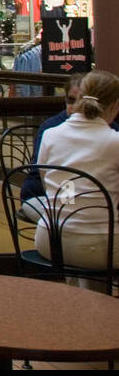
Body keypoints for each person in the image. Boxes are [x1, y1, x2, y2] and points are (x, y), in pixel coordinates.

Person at [32, 70, 119, 287]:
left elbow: (50, 185)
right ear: (115, 106)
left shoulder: (50, 134)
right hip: (99, 246)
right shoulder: (114, 141)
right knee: (95, 242)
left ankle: (76, 307)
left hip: (49, 240)